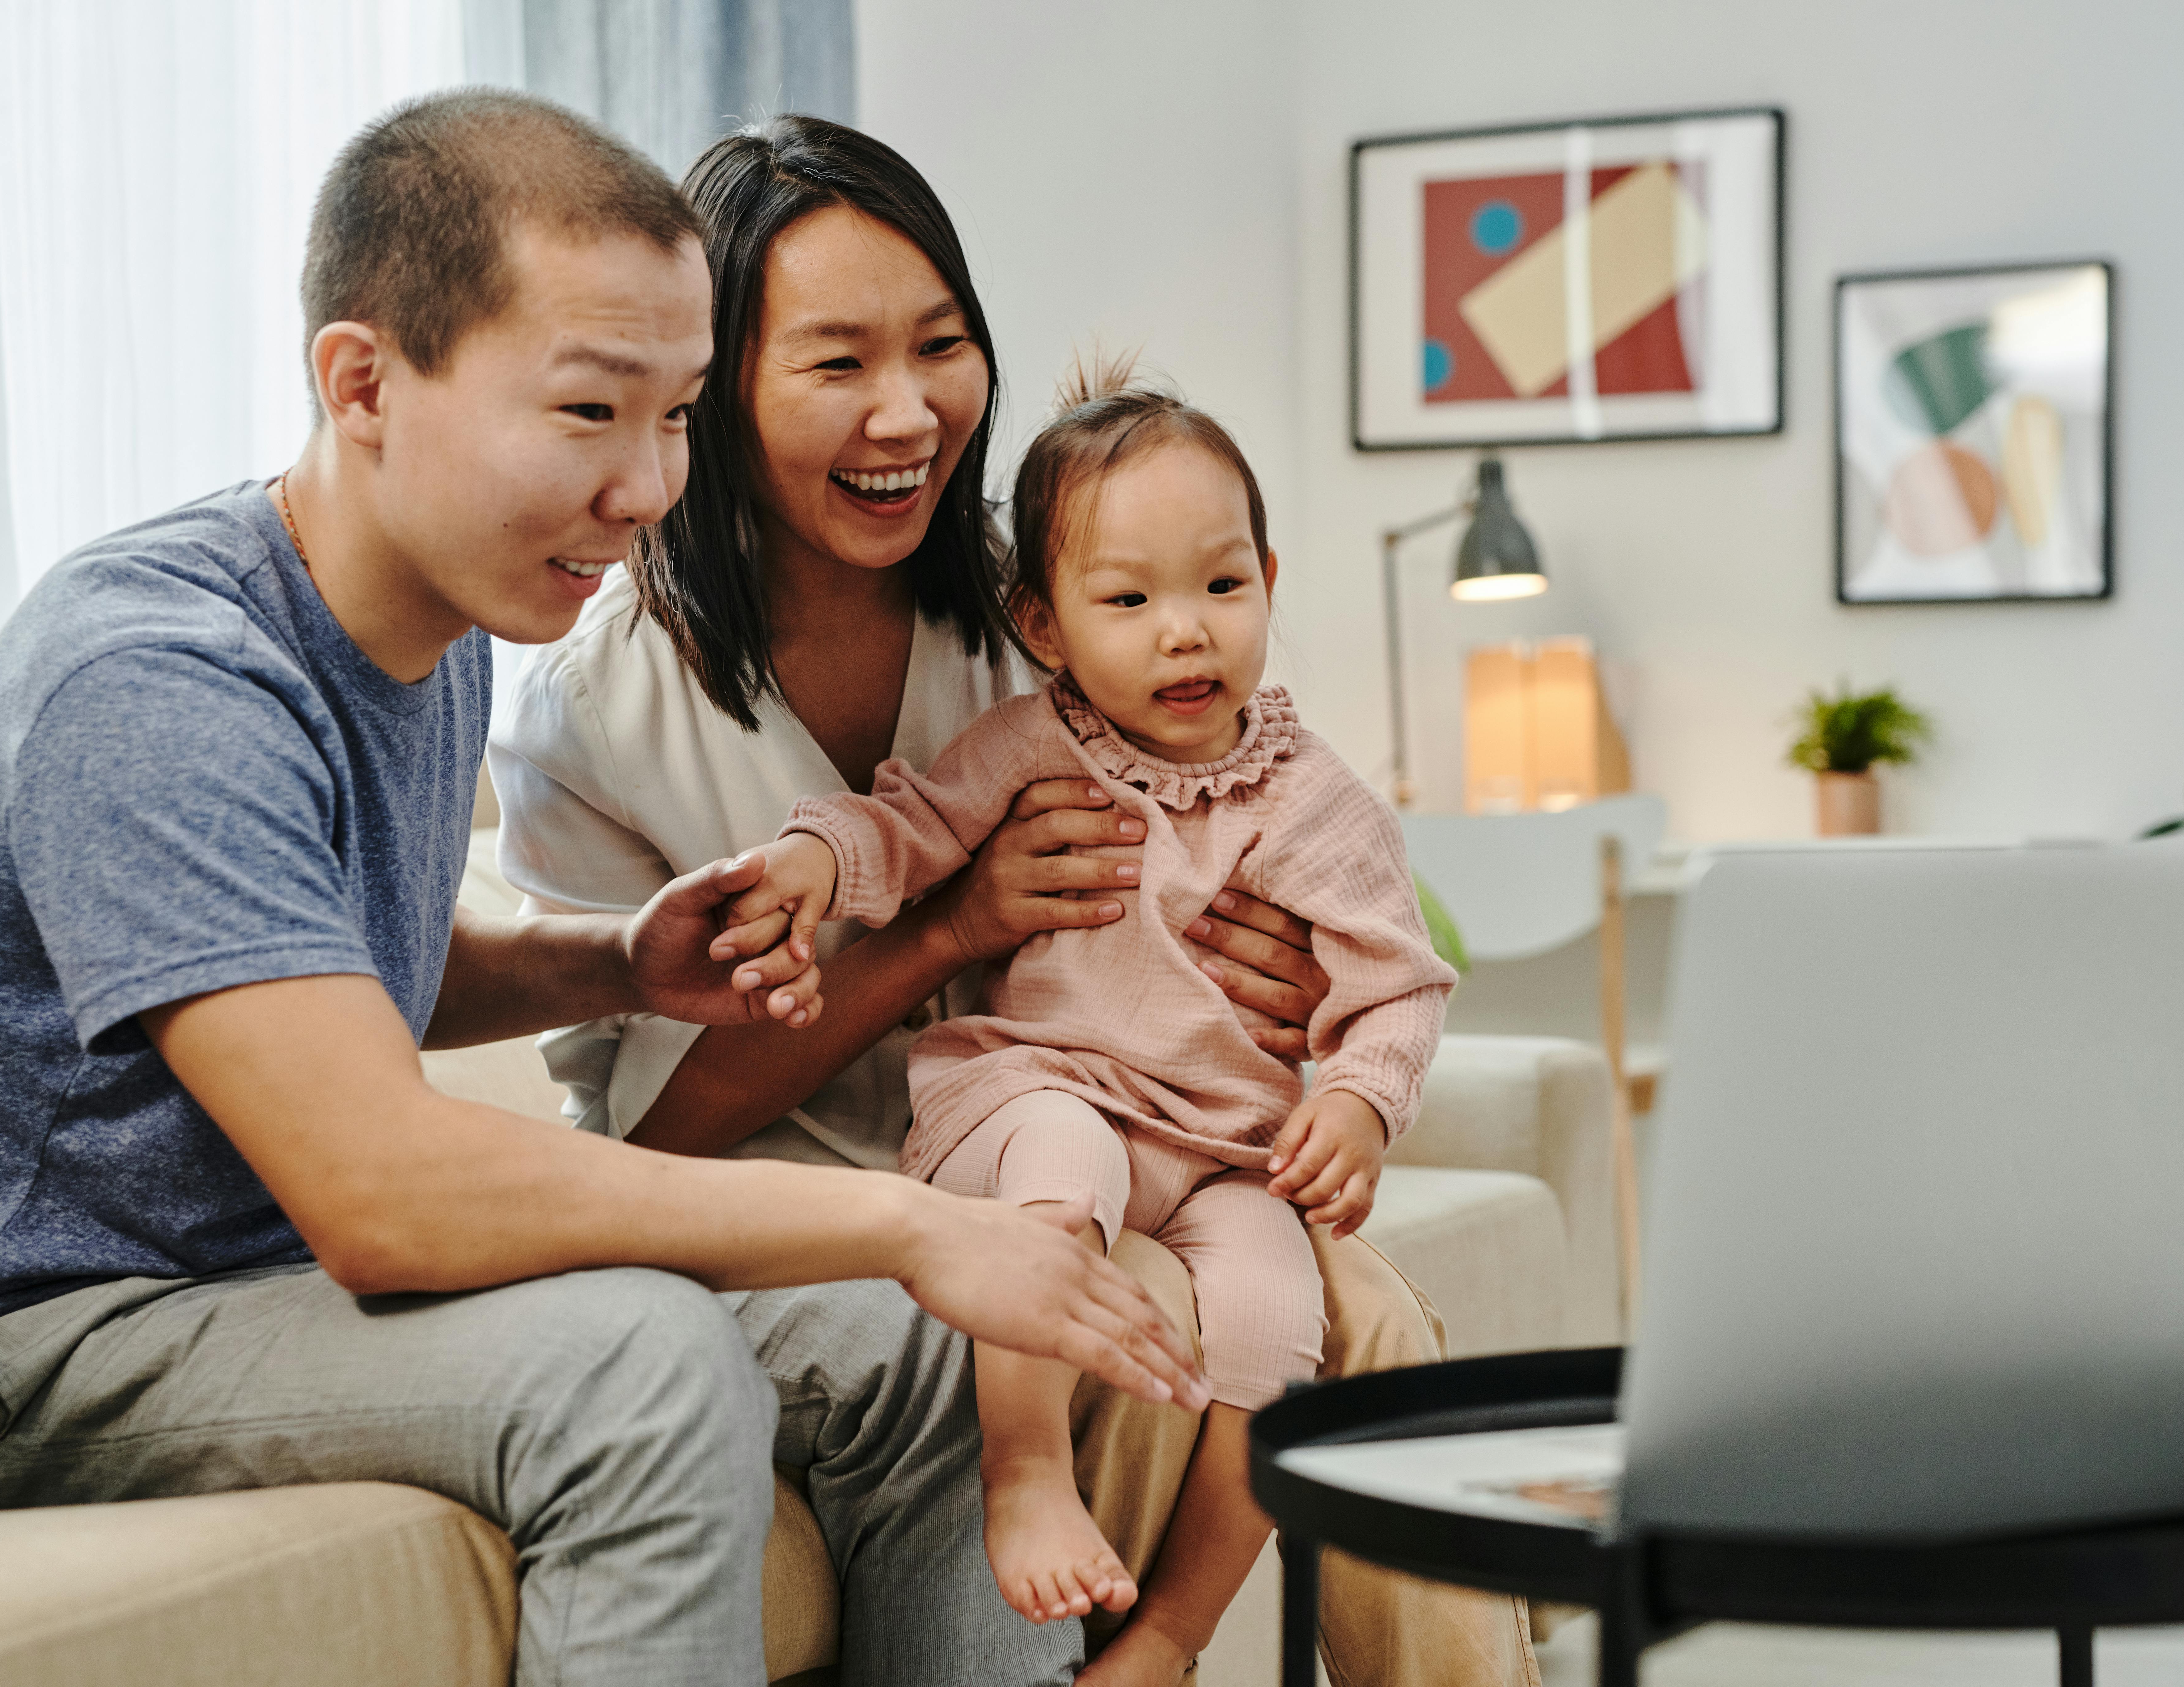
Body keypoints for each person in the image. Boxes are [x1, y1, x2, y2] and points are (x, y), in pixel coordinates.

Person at [0, 89, 1203, 1687]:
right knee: (642, 1362)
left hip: (250, 1293)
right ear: (362, 382)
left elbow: (324, 966)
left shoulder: (450, 620)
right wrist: (906, 1218)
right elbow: (386, 1193)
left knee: (928, 1357)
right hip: (21, 1354)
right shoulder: (155, 670)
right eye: (588, 412)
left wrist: (614, 960)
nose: (648, 486)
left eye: (679, 413)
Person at [491, 113, 1540, 1685]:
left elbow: (1277, 853)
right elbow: (658, 1148)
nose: (906, 410)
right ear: (712, 386)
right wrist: (947, 926)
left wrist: (1272, 992)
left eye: (942, 345)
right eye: (835, 361)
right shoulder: (603, 712)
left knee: (1363, 1320)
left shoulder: (1054, 597)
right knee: (1096, 1293)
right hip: (822, 1213)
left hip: (1130, 1136)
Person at [719, 361, 1459, 1682]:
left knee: (1277, 1329)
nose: (1186, 634)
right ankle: (1021, 1472)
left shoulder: (1312, 800)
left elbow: (1394, 982)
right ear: (1045, 624)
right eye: (1128, 600)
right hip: (1030, 1096)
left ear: (1269, 581)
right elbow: (902, 828)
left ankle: (1170, 1630)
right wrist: (812, 866)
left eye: (1221, 588)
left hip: (1224, 1150)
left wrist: (1354, 1098)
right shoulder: (1026, 746)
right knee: (1067, 1166)